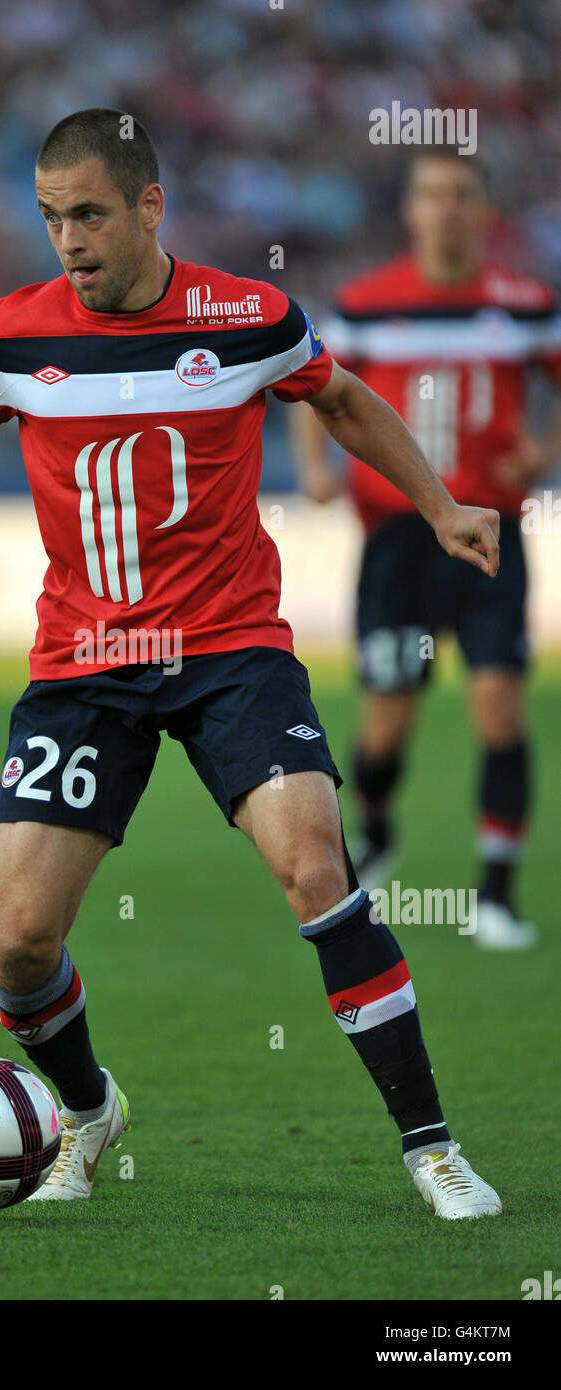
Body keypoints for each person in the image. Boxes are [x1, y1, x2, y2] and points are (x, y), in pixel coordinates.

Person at [0, 110, 504, 1218]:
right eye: (49, 218)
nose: (68, 240)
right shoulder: (11, 334)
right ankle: (89, 1108)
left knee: (316, 872)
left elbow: (336, 397)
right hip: (83, 666)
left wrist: (434, 507)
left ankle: (431, 1148)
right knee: (18, 944)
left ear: (149, 207)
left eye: (88, 213)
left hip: (230, 648)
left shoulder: (248, 317)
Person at [292, 148, 561, 951]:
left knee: (499, 707)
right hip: (398, 544)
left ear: (483, 212)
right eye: (433, 195)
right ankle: (377, 829)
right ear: (410, 212)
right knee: (383, 730)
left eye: (461, 196)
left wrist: (543, 450)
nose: (446, 209)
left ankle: (497, 895)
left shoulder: (524, 304)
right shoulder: (365, 304)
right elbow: (313, 388)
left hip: (488, 538)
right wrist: (312, 467)